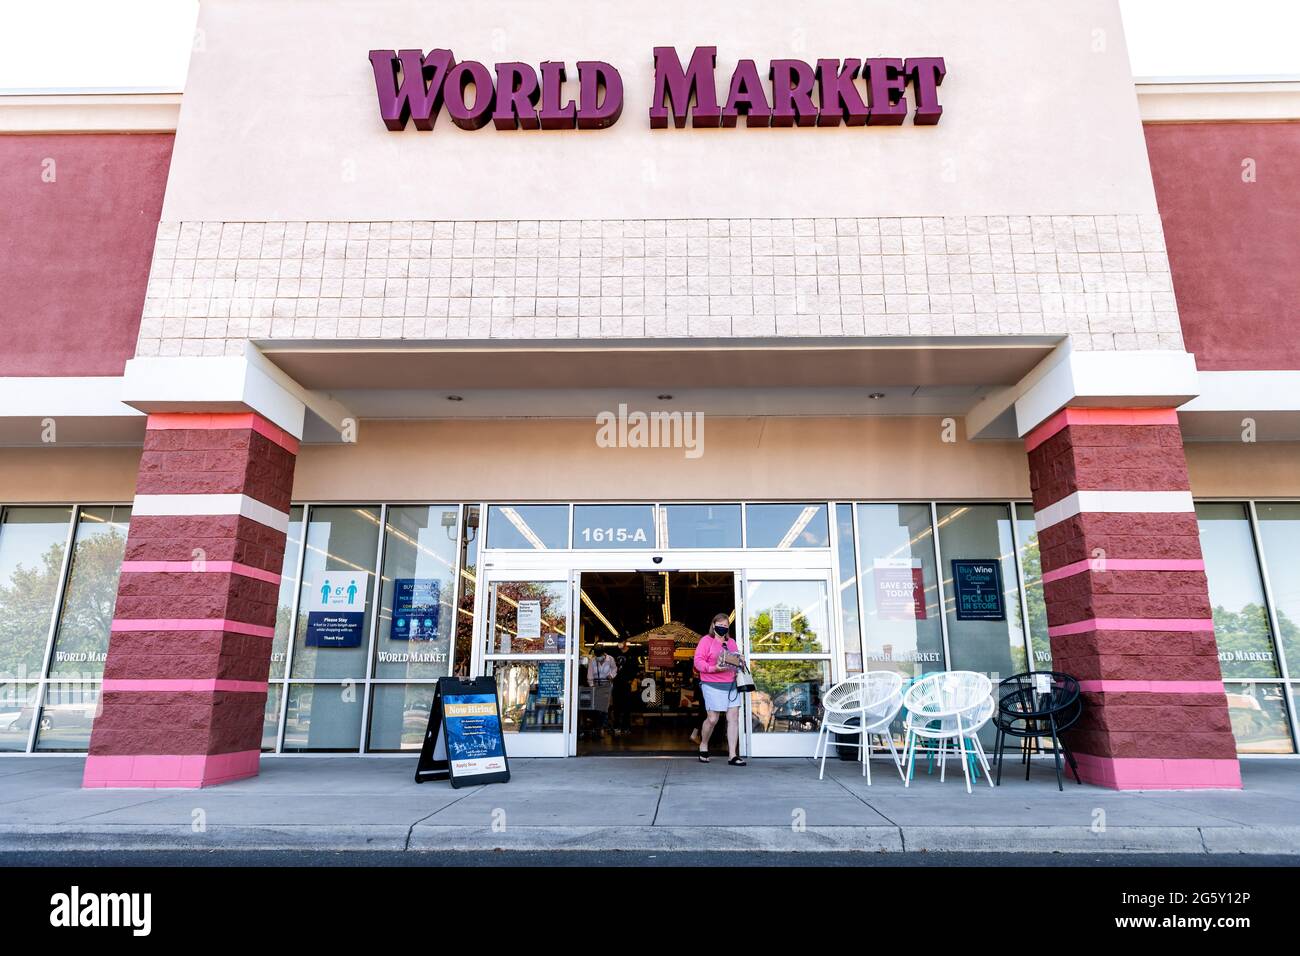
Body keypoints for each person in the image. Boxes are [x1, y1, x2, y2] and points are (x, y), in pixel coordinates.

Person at [692, 613, 747, 766]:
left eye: (725, 626)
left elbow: (737, 662)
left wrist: (740, 661)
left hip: (730, 685)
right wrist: (713, 668)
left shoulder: (731, 642)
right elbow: (698, 662)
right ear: (714, 625)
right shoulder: (706, 641)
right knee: (712, 719)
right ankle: (703, 744)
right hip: (711, 684)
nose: (722, 628)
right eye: (720, 625)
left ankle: (732, 755)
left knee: (733, 718)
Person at [587, 643, 617, 736]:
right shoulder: (592, 661)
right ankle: (599, 726)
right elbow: (590, 674)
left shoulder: (610, 659)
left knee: (605, 707)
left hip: (607, 685)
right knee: (598, 708)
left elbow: (614, 669)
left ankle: (601, 727)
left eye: (600, 655)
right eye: (597, 655)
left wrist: (611, 676)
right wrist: (591, 685)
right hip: (596, 686)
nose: (598, 657)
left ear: (603, 653)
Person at [611, 637, 640, 736]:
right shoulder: (615, 653)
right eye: (618, 642)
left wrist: (632, 680)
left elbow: (636, 669)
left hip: (627, 684)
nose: (619, 644)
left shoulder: (632, 654)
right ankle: (616, 727)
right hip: (616, 683)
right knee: (616, 706)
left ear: (625, 642)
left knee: (627, 707)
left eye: (620, 642)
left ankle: (626, 727)